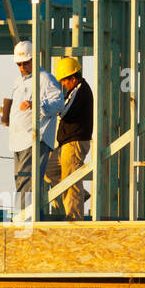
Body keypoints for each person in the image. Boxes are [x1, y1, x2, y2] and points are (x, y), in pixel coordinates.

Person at [0, 40, 65, 218]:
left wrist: (36, 104)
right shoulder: (18, 82)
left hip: (35, 138)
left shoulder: (44, 79)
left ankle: (27, 219)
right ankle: (28, 215)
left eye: (25, 63)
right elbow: (18, 110)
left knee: (28, 181)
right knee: (21, 179)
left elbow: (59, 103)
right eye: (19, 64)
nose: (22, 66)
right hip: (17, 140)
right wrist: (1, 118)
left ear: (34, 59)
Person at [52, 56, 93, 220]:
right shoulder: (75, 90)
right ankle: (80, 194)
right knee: (47, 170)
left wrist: (51, 106)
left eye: (64, 80)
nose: (63, 84)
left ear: (73, 78)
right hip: (66, 143)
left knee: (70, 179)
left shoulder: (80, 90)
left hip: (74, 142)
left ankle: (74, 218)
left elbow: (64, 111)